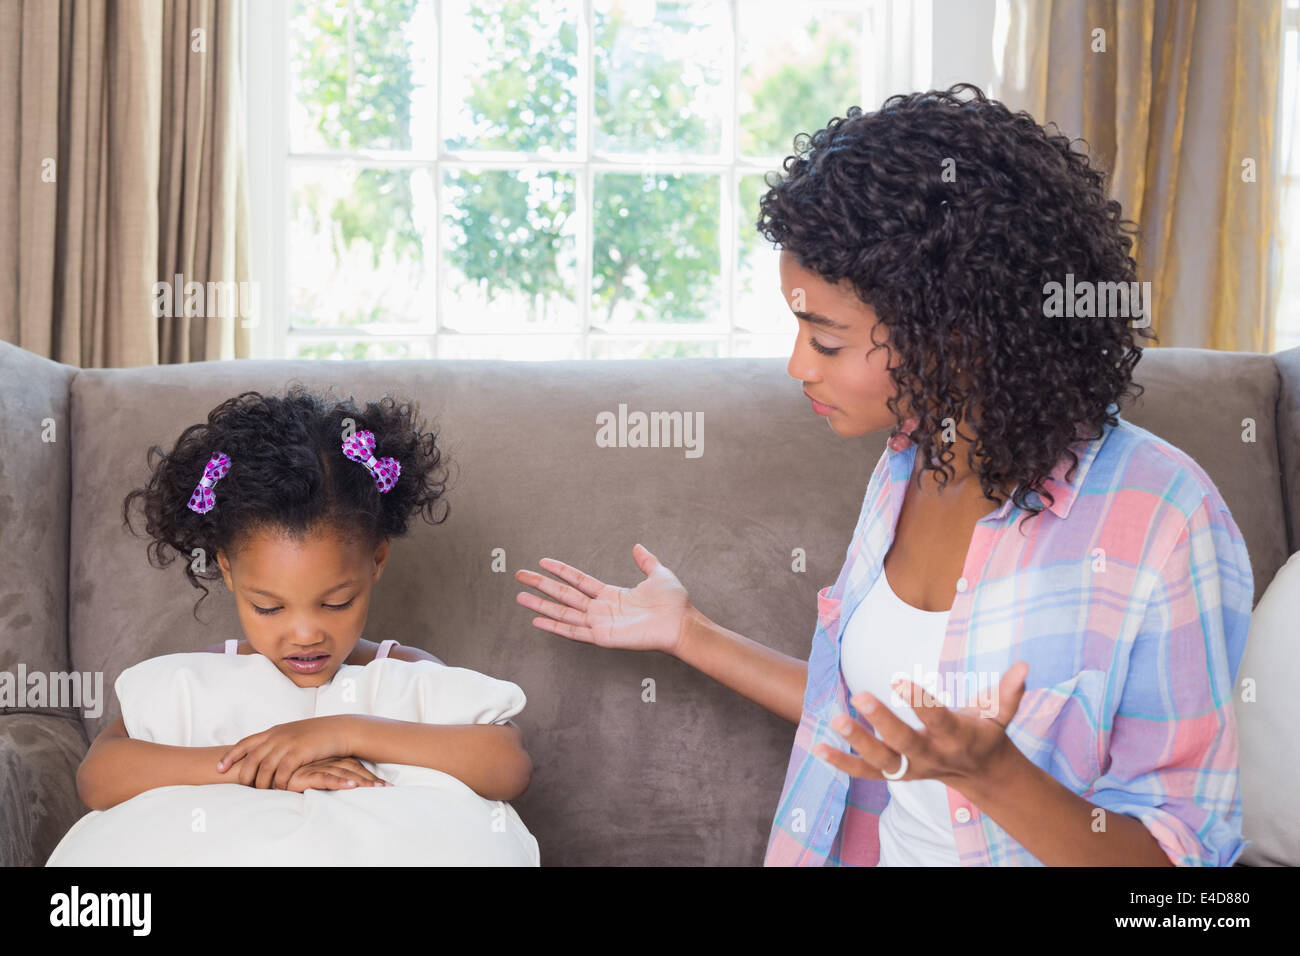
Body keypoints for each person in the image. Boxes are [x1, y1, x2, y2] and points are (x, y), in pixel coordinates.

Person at [515, 84, 1252, 866]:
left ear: (955, 334)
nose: (797, 365)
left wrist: (994, 775)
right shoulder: (911, 460)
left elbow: (1185, 872)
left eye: (826, 341)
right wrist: (687, 634)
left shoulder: (1165, 519)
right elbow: (871, 719)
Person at [76, 385, 531, 809]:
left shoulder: (400, 673)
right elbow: (98, 777)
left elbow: (509, 766)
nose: (305, 633)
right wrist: (266, 766)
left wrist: (340, 733)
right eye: (269, 607)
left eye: (335, 603)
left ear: (376, 561)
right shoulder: (208, 677)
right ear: (228, 571)